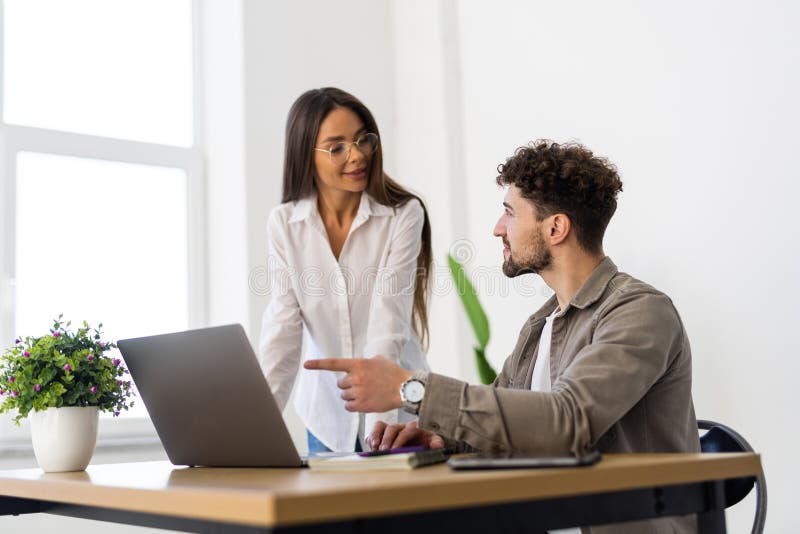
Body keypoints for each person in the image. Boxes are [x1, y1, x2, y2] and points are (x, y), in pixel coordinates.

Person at [305, 140, 699, 533]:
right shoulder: (541, 326)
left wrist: (414, 388)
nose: (498, 229)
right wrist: (439, 438)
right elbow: (516, 428)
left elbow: (570, 422)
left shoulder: (639, 311)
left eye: (509, 213)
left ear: (556, 228)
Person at [259, 87, 432, 454]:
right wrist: (251, 435)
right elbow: (282, 331)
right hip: (325, 416)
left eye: (362, 140)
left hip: (396, 415)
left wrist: (376, 436)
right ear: (306, 155)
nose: (357, 156)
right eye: (336, 147)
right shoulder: (286, 223)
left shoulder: (402, 215)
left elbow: (388, 325)